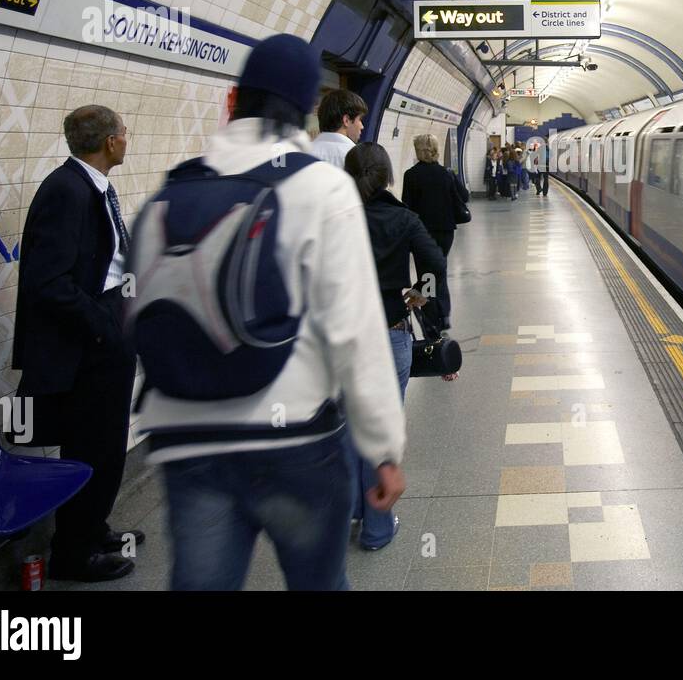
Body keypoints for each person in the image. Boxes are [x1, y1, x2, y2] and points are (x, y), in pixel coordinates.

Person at [134, 34, 406, 591]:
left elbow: (137, 312)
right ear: (306, 112)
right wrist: (383, 449)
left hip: (186, 444)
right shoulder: (322, 187)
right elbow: (356, 332)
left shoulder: (172, 189)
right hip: (293, 443)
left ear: (232, 102)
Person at [11, 105, 141, 582]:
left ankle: (93, 526)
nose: (127, 139)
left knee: (106, 443)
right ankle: (73, 552)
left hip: (106, 332)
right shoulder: (67, 191)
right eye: (124, 132)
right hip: (88, 345)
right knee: (89, 446)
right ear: (109, 142)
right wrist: (105, 323)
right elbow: (48, 281)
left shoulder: (94, 187)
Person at [344, 142, 450, 550]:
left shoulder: (333, 217)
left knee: (346, 425)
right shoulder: (402, 218)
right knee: (380, 428)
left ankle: (353, 507)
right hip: (388, 333)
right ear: (389, 176)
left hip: (341, 337)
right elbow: (435, 262)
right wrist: (421, 293)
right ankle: (376, 527)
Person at [401, 133, 468, 330]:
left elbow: (407, 207)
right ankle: (443, 313)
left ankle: (433, 315)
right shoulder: (446, 174)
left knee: (426, 274)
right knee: (439, 270)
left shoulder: (411, 175)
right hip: (446, 232)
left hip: (422, 234)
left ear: (417, 151)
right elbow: (464, 196)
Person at [309, 89, 367, 167]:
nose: (362, 126)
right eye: (360, 119)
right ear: (346, 120)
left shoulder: (299, 153)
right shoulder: (362, 158)